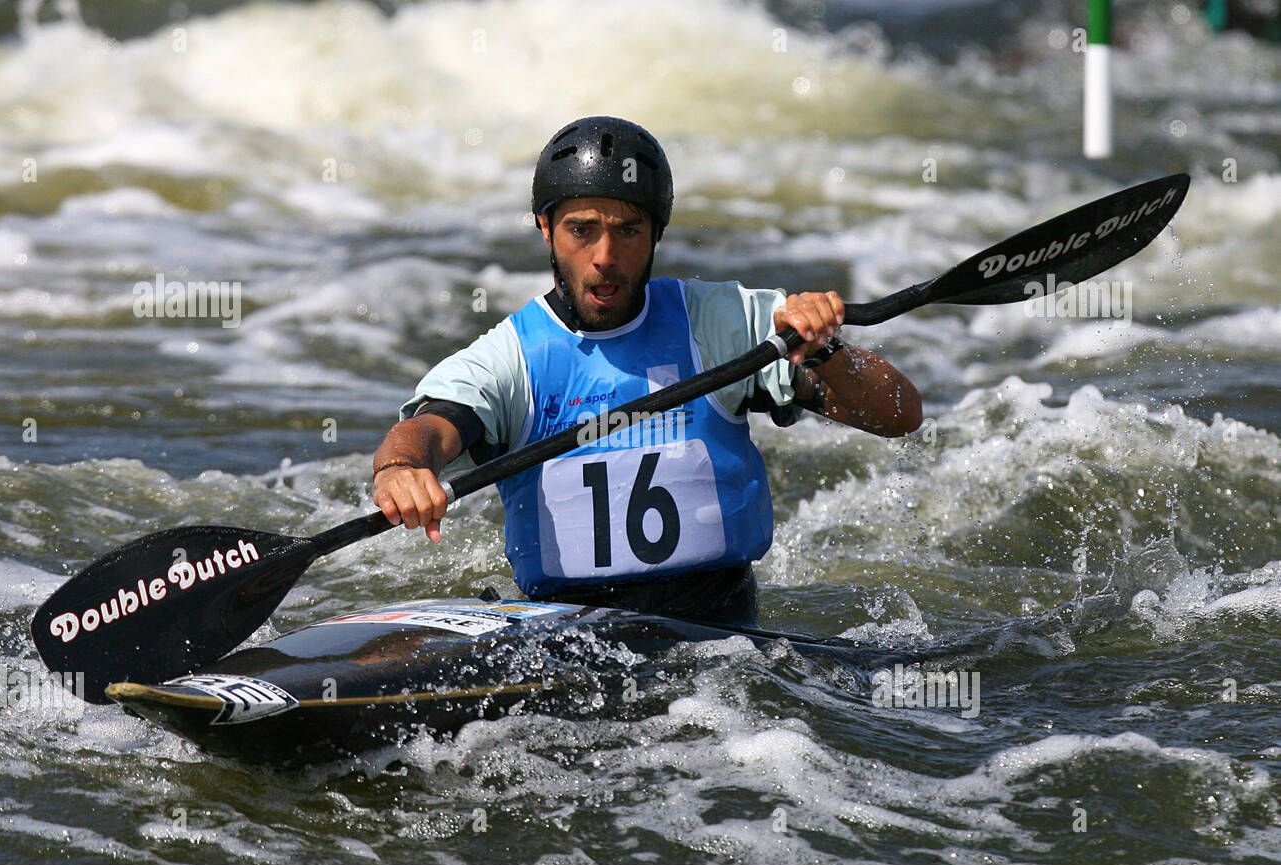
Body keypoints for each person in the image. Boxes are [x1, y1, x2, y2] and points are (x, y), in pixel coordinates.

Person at [371, 116, 921, 627]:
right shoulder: (510, 357)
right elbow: (429, 428)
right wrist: (401, 468)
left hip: (719, 637)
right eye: (581, 230)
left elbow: (898, 415)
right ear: (545, 229)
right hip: (568, 641)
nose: (605, 255)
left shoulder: (723, 323)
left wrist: (826, 349)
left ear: (656, 232)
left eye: (629, 230)